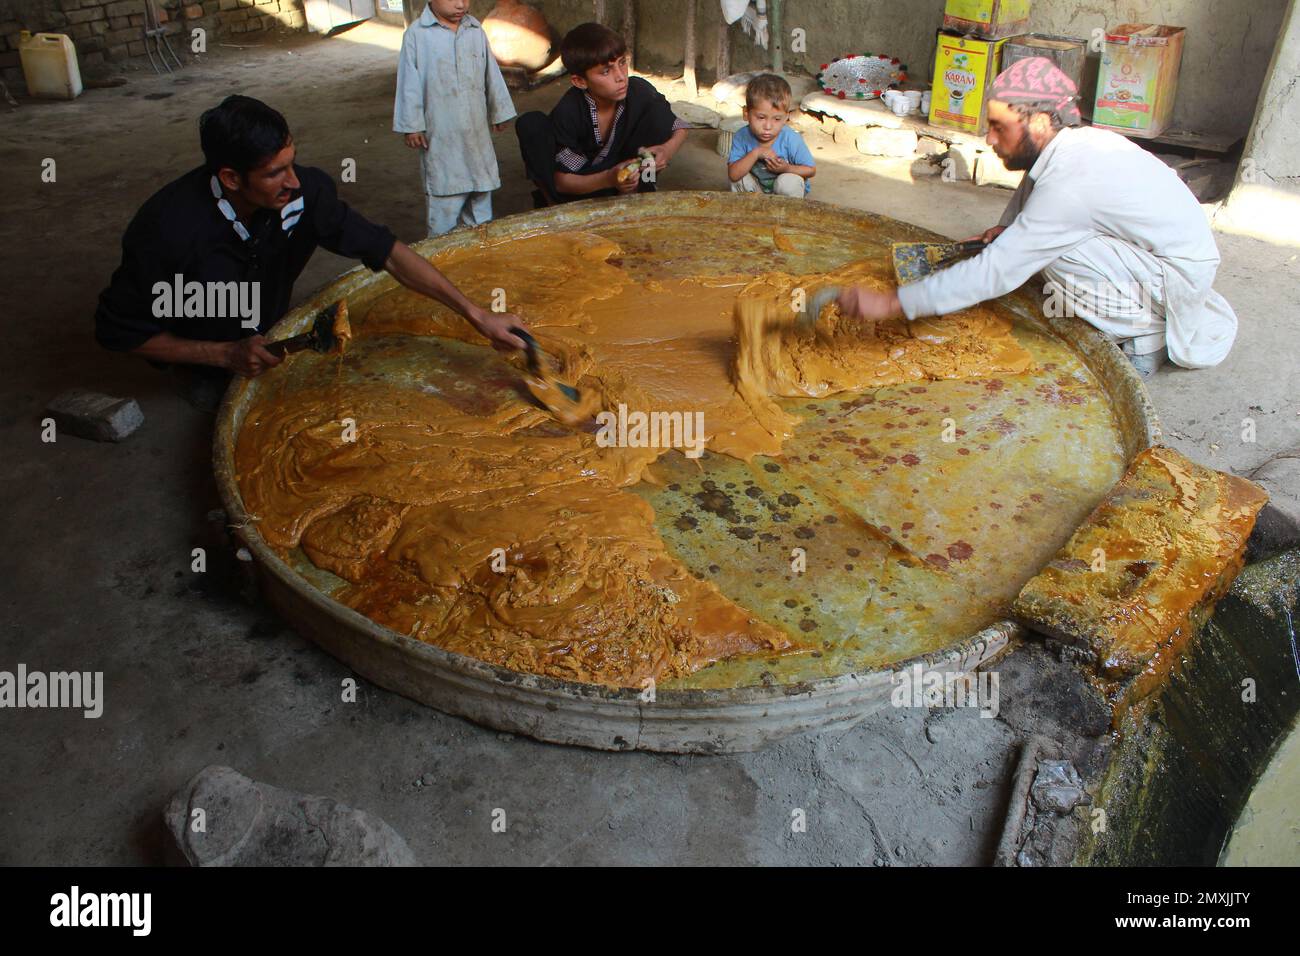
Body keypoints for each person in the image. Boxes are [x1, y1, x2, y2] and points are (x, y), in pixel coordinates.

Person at [94, 95, 525, 409]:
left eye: (292, 163)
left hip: (267, 325)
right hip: (205, 345)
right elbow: (120, 333)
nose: (293, 181)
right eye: (273, 173)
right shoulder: (167, 229)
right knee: (219, 400)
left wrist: (477, 315)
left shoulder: (306, 195)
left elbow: (389, 252)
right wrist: (224, 355)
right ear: (230, 178)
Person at [836, 57, 1238, 377]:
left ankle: (1145, 335)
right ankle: (1135, 311)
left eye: (998, 128)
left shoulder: (1071, 182)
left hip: (1174, 277)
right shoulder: (1067, 150)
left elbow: (995, 272)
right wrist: (1007, 230)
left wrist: (890, 303)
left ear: (1041, 122)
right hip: (1158, 258)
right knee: (1037, 240)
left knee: (1057, 252)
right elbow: (1033, 197)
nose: (989, 139)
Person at [515, 22, 689, 205]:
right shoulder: (569, 112)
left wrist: (666, 151)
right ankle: (555, 205)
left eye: (622, 63)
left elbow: (680, 127)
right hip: (585, 184)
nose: (621, 77)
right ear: (580, 81)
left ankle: (639, 193)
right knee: (530, 124)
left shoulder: (637, 91)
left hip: (627, 175)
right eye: (606, 71)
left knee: (657, 115)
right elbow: (561, 181)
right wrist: (609, 178)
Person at [393, 0, 517, 237]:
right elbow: (409, 83)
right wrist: (412, 126)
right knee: (444, 208)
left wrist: (499, 109)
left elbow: (491, 72)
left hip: (476, 134)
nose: (461, 4)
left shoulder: (475, 30)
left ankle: (480, 256)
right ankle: (439, 263)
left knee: (481, 205)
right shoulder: (417, 36)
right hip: (441, 136)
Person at [727, 73, 816, 197]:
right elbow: (733, 174)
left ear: (786, 118)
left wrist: (786, 168)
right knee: (739, 179)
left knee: (789, 182)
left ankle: (788, 213)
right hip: (757, 192)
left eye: (777, 119)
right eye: (761, 117)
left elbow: (811, 170)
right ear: (746, 113)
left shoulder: (790, 138)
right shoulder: (741, 136)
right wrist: (756, 153)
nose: (768, 126)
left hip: (784, 193)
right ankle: (752, 213)